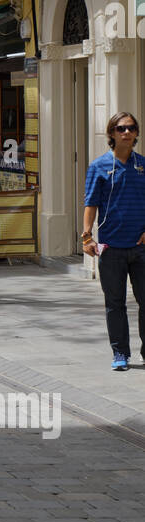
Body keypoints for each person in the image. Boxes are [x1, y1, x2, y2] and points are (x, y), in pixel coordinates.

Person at [83, 111, 145, 372]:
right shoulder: (98, 166)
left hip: (141, 248)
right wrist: (87, 237)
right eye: (121, 128)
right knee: (115, 303)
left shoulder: (143, 165)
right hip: (110, 248)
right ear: (111, 133)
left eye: (131, 128)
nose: (127, 132)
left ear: (136, 133)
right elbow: (91, 203)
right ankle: (120, 353)